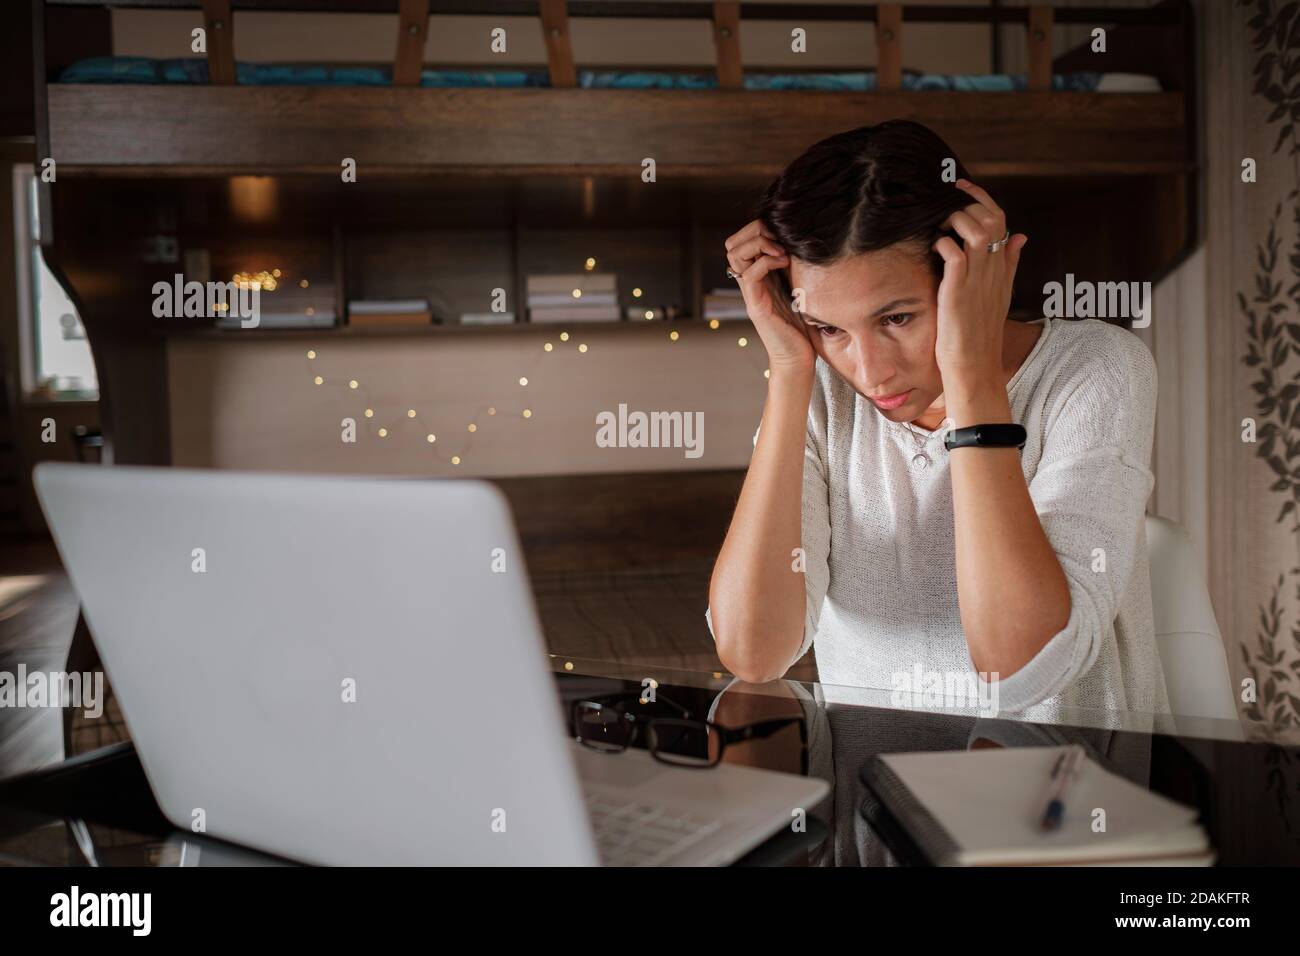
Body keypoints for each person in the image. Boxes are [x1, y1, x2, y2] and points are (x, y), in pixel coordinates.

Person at [706, 120, 1169, 721]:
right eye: (829, 328)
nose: (870, 373)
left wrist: (971, 374)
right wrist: (791, 371)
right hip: (870, 781)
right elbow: (754, 652)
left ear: (971, 276)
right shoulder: (820, 389)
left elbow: (1020, 672)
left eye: (896, 318)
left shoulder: (1095, 368)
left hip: (1062, 779)